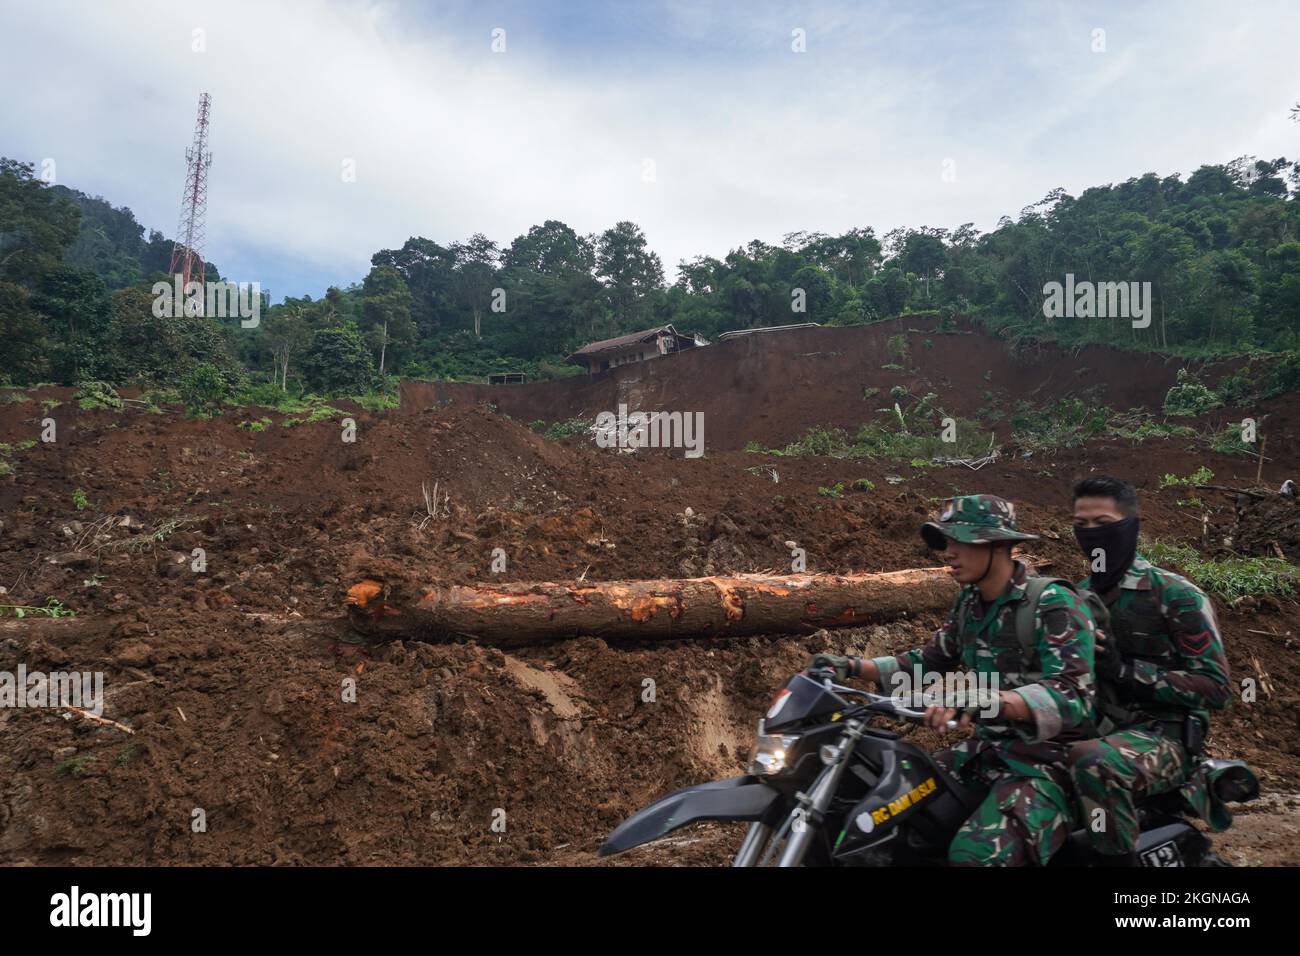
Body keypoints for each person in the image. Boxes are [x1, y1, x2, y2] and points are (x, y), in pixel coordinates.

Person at [810, 494, 1097, 866]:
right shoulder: (970, 604)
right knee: (886, 819)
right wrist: (851, 666)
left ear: (1000, 545)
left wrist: (987, 700)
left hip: (1050, 766)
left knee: (974, 857)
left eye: (962, 541)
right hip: (988, 753)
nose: (949, 552)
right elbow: (926, 663)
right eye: (947, 541)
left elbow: (1073, 695)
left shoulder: (1052, 602)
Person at [1067, 475, 1231, 864]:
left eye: (1103, 525)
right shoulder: (1076, 595)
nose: (1091, 535)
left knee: (1095, 763)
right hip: (1097, 727)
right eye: (1080, 526)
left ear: (1130, 526)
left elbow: (1215, 688)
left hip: (1165, 738)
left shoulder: (1175, 595)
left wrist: (1124, 671)